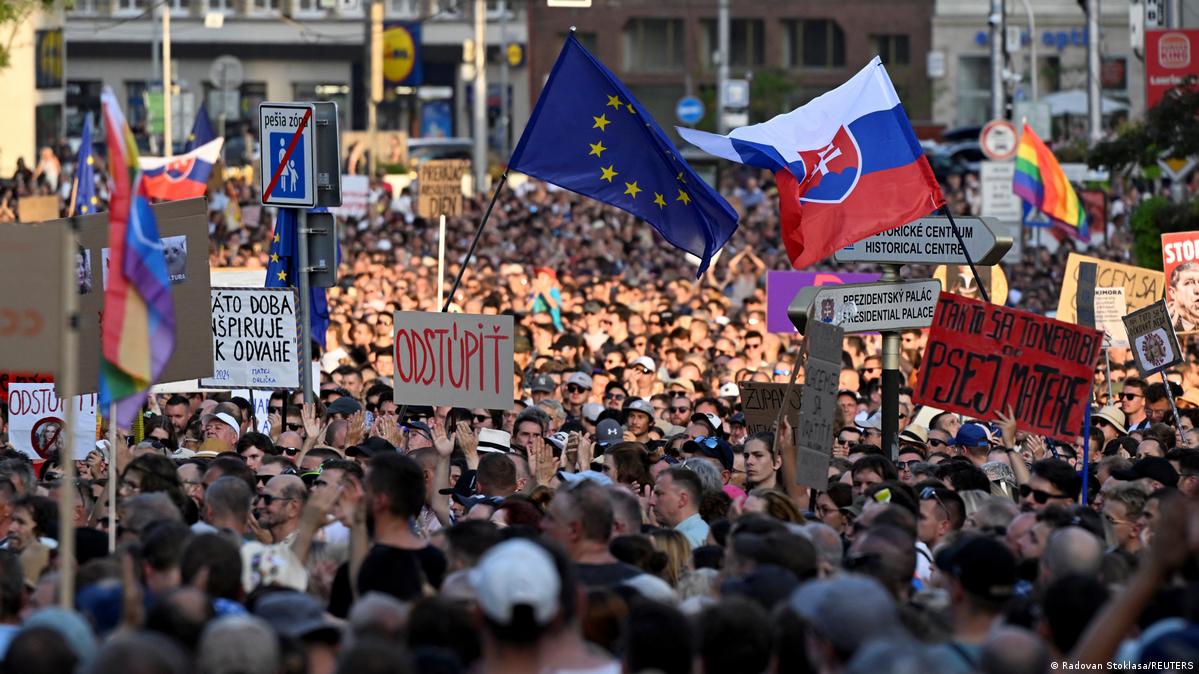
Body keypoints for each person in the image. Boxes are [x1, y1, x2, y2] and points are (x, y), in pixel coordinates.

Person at [541, 479, 643, 587]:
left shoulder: (553, 587)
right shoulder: (648, 586)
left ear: (574, 530)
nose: (542, 524)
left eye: (550, 518)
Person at [649, 467, 708, 549]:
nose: (651, 502)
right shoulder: (697, 533)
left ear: (682, 499)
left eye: (659, 494)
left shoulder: (688, 542)